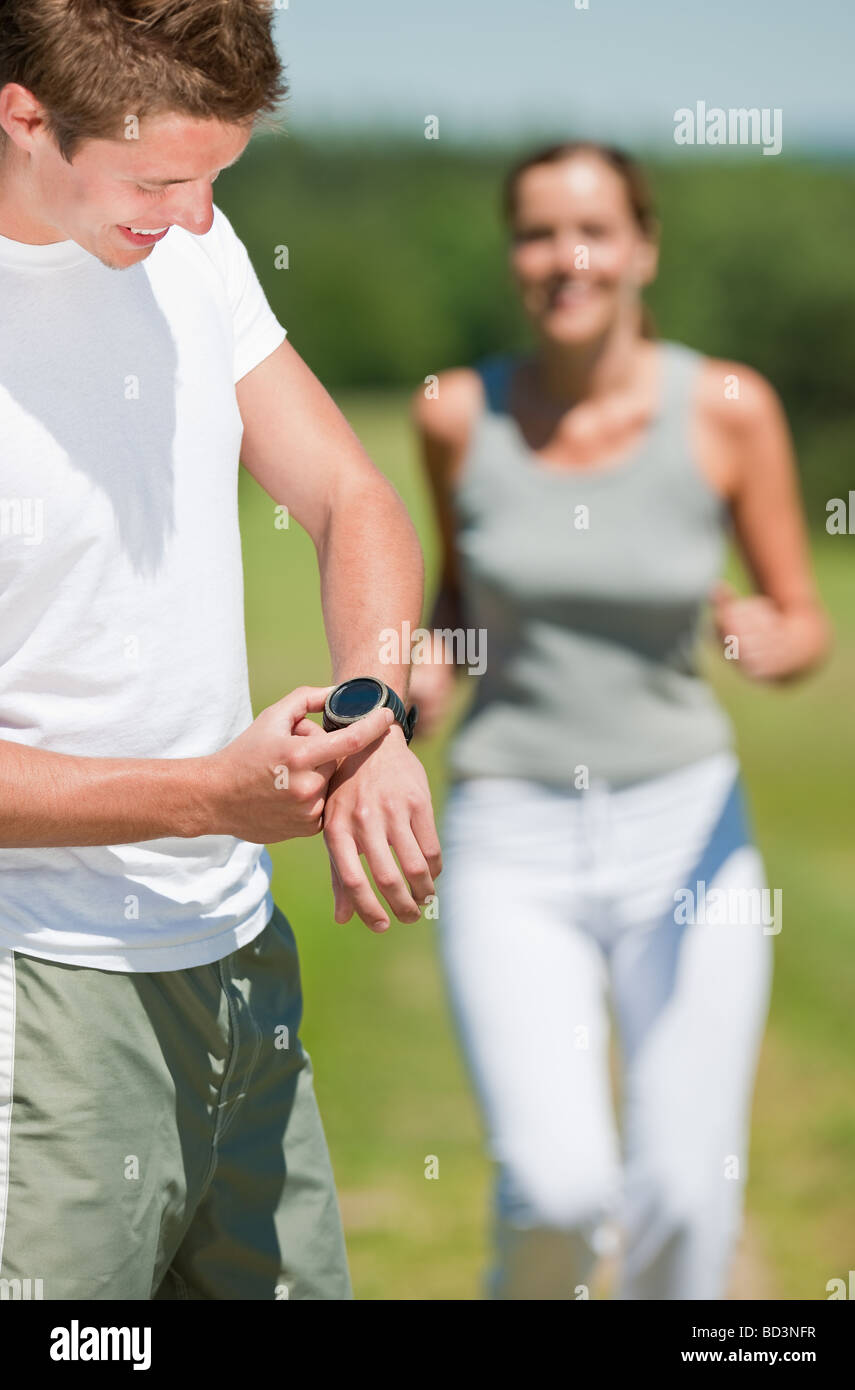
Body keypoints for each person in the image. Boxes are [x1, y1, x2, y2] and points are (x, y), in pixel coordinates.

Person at [0, 0, 440, 1301]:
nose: (194, 217)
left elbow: (349, 495)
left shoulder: (184, 240)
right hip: (48, 998)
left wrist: (372, 716)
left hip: (241, 969)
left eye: (216, 180)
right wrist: (209, 795)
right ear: (24, 118)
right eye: (160, 180)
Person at [410, 139, 830, 1300]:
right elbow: (456, 595)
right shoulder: (454, 414)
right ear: (513, 256)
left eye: (593, 230)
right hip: (511, 831)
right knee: (555, 1190)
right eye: (538, 232)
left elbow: (803, 621)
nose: (566, 257)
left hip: (685, 832)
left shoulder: (730, 408)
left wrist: (763, 639)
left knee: (686, 1199)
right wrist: (430, 657)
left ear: (642, 248)